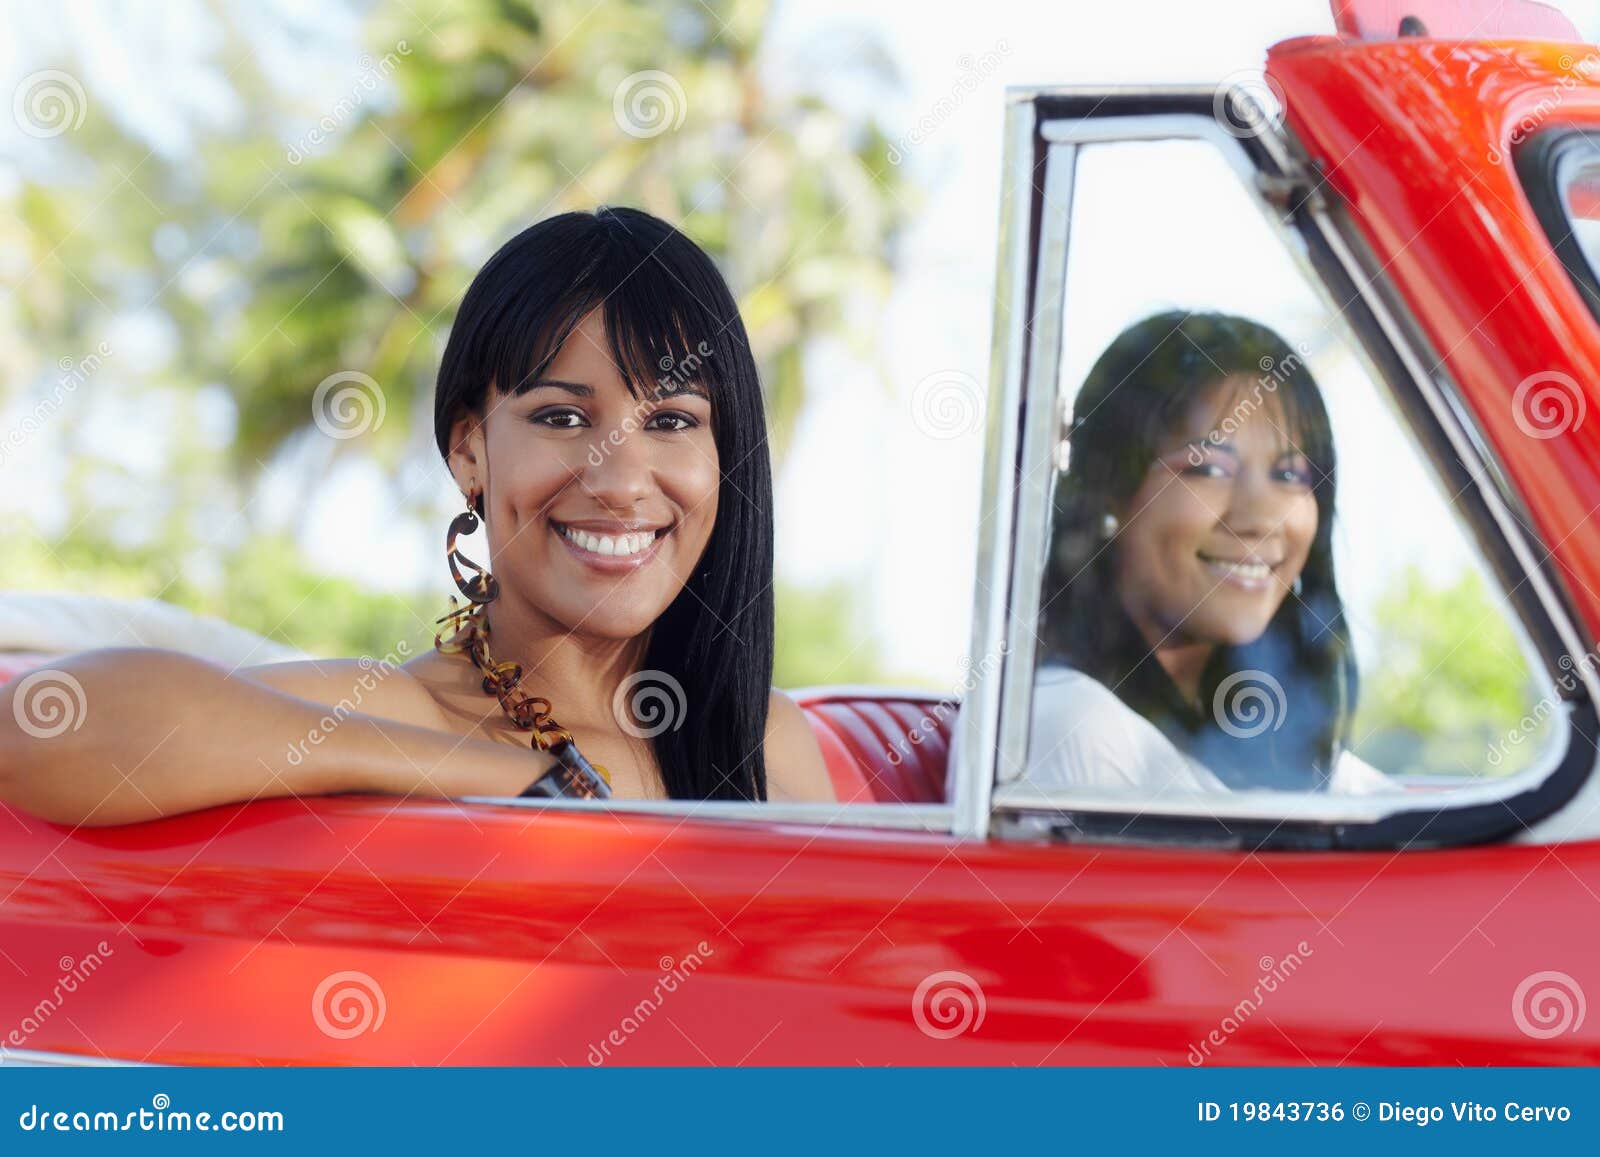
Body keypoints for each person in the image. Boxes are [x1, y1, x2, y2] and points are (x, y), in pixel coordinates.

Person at [0, 207, 834, 825]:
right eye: (562, 417)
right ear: (469, 450)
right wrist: (517, 779)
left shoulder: (769, 739)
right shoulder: (408, 714)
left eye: (671, 420)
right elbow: (46, 721)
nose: (619, 479)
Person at [997, 311, 1390, 797]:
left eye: (1289, 476)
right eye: (1208, 469)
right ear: (1110, 497)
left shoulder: (1255, 748)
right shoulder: (1076, 728)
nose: (1260, 516)